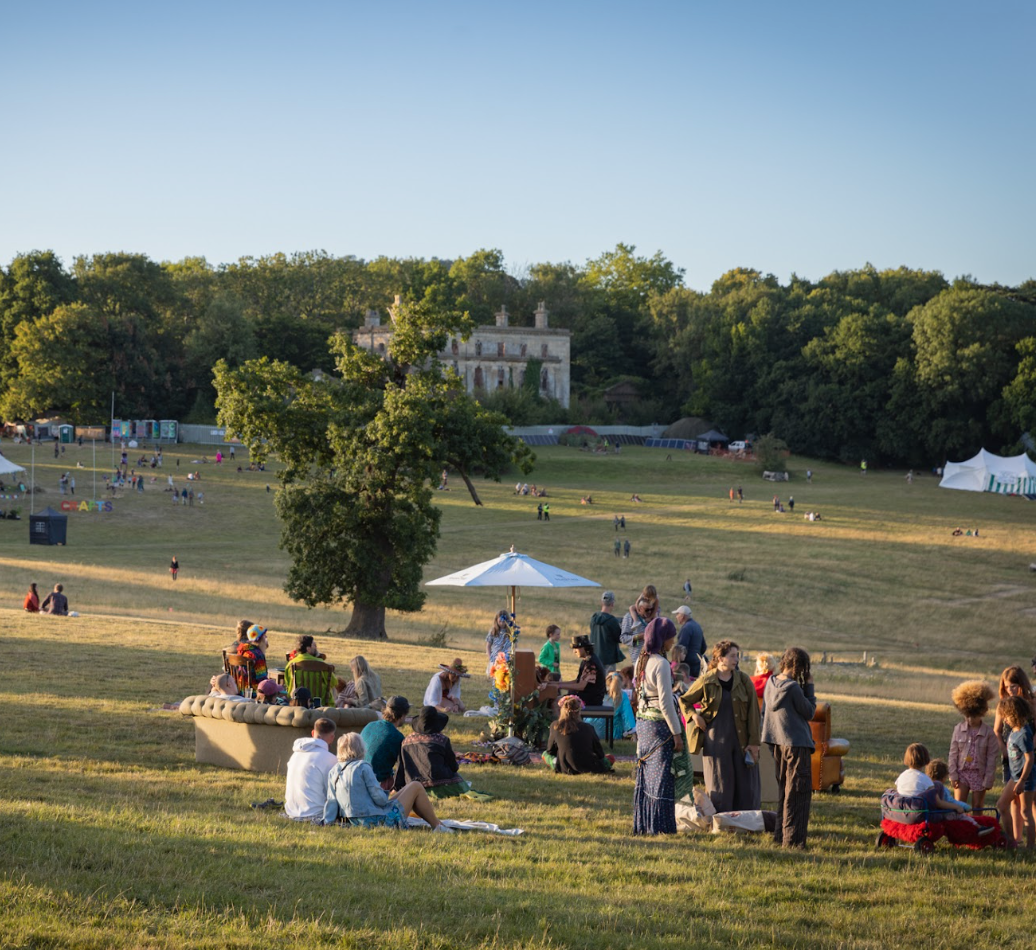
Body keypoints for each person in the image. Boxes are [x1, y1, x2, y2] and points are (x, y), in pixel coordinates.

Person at [681, 640, 761, 812]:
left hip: (741, 742)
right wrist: (694, 716)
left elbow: (754, 713)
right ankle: (721, 821)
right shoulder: (706, 680)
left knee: (745, 785)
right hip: (715, 742)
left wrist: (754, 743)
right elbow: (684, 701)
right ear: (720, 658)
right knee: (719, 783)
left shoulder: (744, 681)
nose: (736, 659)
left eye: (737, 656)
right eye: (732, 656)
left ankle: (746, 821)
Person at [325, 732, 450, 830]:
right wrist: (385, 792)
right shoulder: (362, 767)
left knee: (408, 788)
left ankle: (437, 825)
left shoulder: (334, 771)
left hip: (352, 822)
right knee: (416, 786)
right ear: (360, 748)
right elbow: (381, 800)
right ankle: (437, 826)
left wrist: (328, 822)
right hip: (374, 821)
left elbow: (331, 802)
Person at [761, 647, 817, 848]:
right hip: (797, 745)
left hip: (777, 742)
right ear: (798, 666)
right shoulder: (793, 687)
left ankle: (780, 835)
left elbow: (764, 713)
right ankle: (793, 841)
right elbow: (809, 711)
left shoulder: (771, 682)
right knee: (798, 793)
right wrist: (809, 686)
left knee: (785, 791)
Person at [632, 617, 684, 835]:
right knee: (662, 778)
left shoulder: (641, 661)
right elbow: (665, 702)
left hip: (643, 725)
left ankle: (644, 824)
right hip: (659, 727)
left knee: (646, 778)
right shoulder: (661, 664)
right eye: (671, 637)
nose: (673, 641)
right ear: (663, 639)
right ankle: (659, 826)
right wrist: (677, 733)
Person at [993, 666, 1036, 843]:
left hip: (1027, 759)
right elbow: (997, 730)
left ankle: (1031, 844)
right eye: (1007, 686)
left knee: (1030, 805)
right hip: (1012, 759)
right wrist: (1004, 749)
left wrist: (1031, 747)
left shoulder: (1031, 704)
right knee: (1013, 803)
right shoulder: (1004, 705)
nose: (1010, 690)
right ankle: (1015, 839)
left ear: (1022, 684)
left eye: (1014, 686)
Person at [395, 706, 472, 799]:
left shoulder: (406, 741)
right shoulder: (442, 740)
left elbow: (401, 767)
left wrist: (397, 787)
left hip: (413, 786)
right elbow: (454, 767)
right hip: (442, 786)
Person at [948, 680, 998, 812]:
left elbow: (992, 758)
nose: (970, 719)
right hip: (962, 773)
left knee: (977, 807)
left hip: (979, 774)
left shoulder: (989, 733)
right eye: (967, 716)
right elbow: (953, 754)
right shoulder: (958, 729)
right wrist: (953, 775)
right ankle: (959, 831)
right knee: (959, 806)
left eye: (973, 716)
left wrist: (988, 779)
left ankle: (977, 830)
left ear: (981, 713)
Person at [284, 718, 338, 821]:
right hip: (315, 813)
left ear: (313, 732)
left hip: (291, 811)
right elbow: (334, 791)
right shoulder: (330, 759)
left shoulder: (295, 754)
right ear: (332, 738)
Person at [544, 695, 614, 774]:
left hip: (565, 767)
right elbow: (600, 754)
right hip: (590, 766)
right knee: (610, 758)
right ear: (579, 711)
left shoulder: (555, 726)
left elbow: (550, 751)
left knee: (544, 755)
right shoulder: (588, 728)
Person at [360, 696, 411, 790]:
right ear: (402, 715)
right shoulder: (397, 737)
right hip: (377, 784)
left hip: (358, 777)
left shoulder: (369, 725)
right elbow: (406, 767)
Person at [551, 636, 606, 707]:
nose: (574, 651)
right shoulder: (586, 660)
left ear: (584, 648)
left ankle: (562, 718)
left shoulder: (591, 664)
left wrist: (559, 686)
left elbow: (581, 686)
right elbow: (578, 681)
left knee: (556, 702)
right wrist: (557, 683)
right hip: (585, 697)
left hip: (591, 701)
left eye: (576, 648)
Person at [589, 590, 625, 673]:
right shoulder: (612, 621)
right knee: (608, 683)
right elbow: (619, 638)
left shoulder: (594, 618)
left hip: (595, 656)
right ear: (612, 604)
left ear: (601, 602)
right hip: (608, 659)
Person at [620, 590, 657, 666]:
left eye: (651, 609)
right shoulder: (629, 617)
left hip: (653, 659)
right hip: (638, 659)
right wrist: (638, 637)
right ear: (639, 609)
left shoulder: (653, 618)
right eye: (647, 610)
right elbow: (623, 638)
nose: (649, 612)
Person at [671, 605, 706, 678]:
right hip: (696, 664)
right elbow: (704, 647)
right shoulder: (697, 626)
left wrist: (675, 664)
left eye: (677, 614)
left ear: (683, 616)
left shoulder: (686, 628)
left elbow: (681, 648)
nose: (676, 617)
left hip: (686, 665)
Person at [485, 611, 512, 676]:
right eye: (500, 621)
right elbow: (488, 646)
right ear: (496, 620)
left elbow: (515, 646)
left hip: (506, 660)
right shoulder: (493, 631)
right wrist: (490, 657)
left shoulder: (511, 632)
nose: (502, 623)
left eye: (504, 621)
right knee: (495, 681)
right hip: (495, 659)